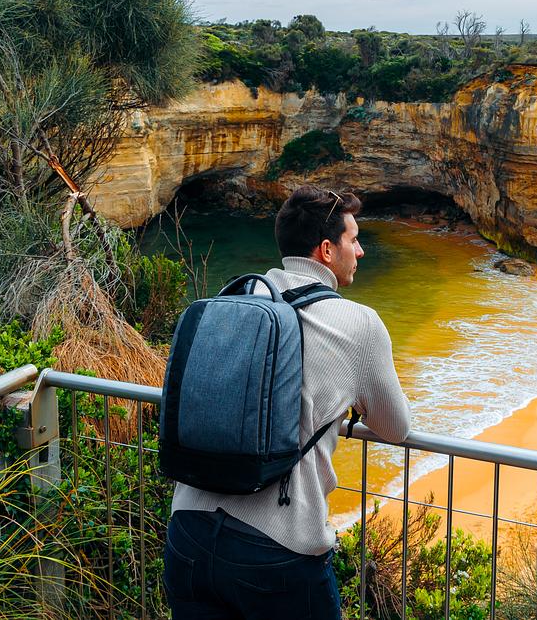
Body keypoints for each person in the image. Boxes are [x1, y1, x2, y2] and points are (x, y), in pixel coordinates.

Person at [164, 185, 411, 619]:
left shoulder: (238, 297)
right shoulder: (360, 324)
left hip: (188, 529)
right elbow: (396, 426)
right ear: (327, 250)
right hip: (276, 548)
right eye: (354, 240)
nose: (362, 251)